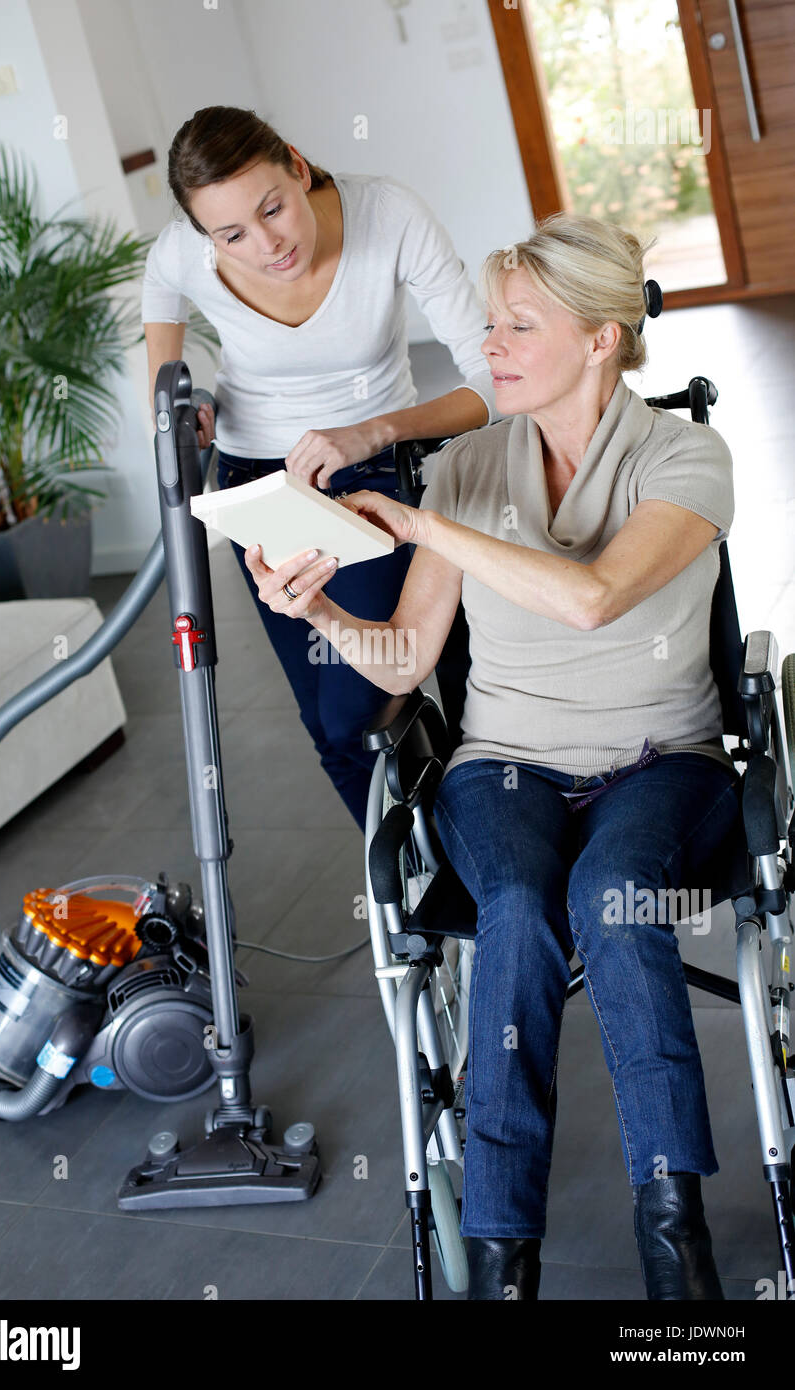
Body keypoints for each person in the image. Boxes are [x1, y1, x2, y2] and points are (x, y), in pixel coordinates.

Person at [244, 212, 740, 1301]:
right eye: (489, 324)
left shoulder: (683, 455)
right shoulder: (466, 466)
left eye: (520, 325)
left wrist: (425, 530)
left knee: (613, 896)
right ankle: (503, 1262)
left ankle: (674, 1246)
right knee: (514, 903)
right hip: (504, 764)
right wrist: (317, 604)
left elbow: (594, 595)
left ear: (602, 336)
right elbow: (408, 655)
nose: (492, 346)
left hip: (661, 761)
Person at [141, 105, 496, 831]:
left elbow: (492, 384)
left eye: (273, 208)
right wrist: (187, 401)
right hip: (257, 489)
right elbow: (162, 329)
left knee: (366, 696)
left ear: (298, 167)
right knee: (332, 727)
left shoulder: (388, 214)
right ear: (204, 235)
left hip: (379, 472)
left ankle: (484, 847)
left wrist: (374, 430)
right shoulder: (184, 252)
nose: (267, 244)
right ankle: (419, 900)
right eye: (232, 234)